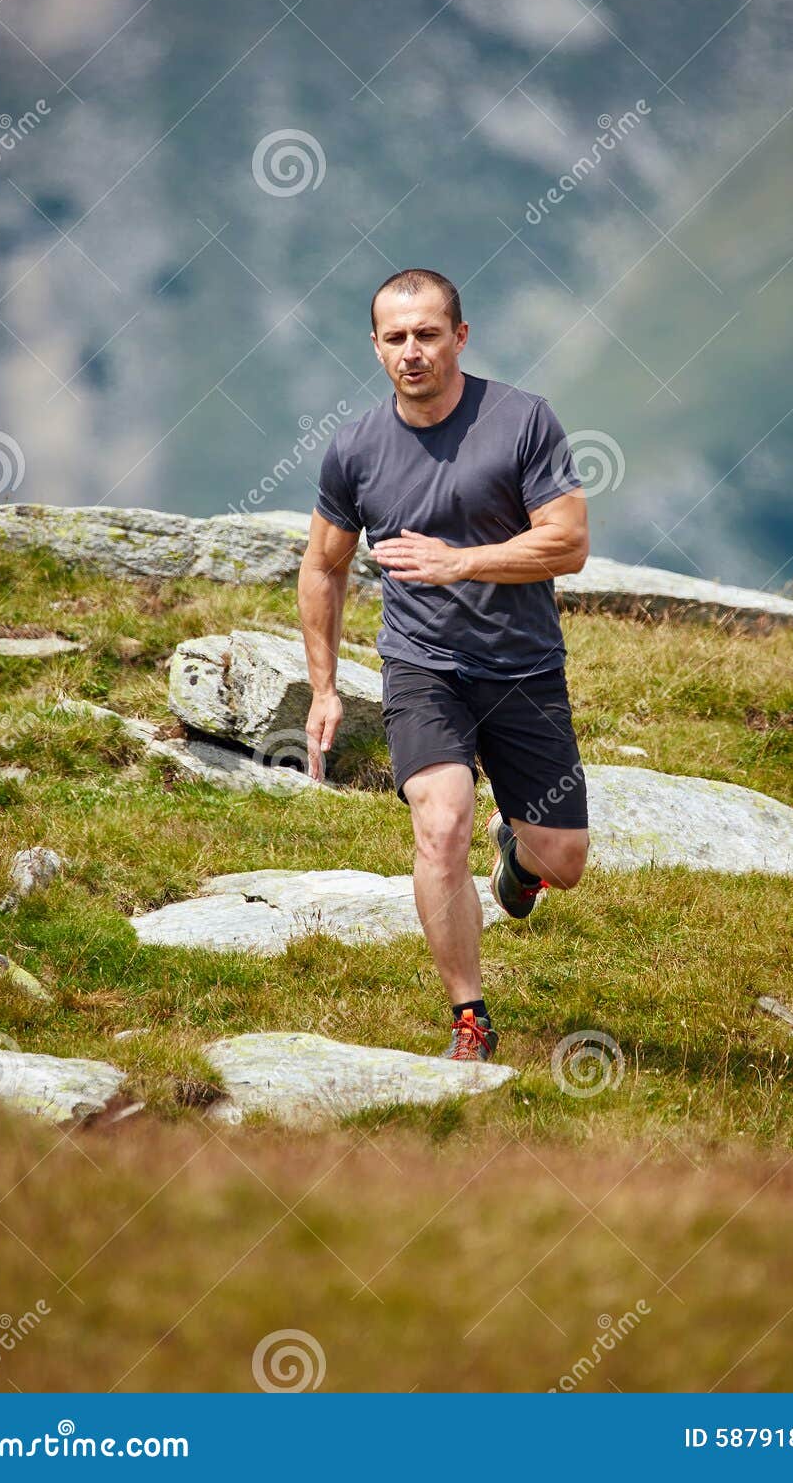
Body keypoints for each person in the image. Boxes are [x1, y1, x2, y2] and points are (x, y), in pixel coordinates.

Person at [297, 268, 590, 1063]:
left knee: (562, 860)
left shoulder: (522, 422)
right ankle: (470, 1017)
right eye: (395, 338)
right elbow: (322, 567)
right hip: (423, 667)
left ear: (460, 336)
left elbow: (568, 543)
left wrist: (463, 564)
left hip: (523, 667)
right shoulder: (356, 447)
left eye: (427, 334)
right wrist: (323, 687)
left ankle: (517, 855)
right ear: (375, 347)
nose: (411, 352)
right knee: (439, 825)